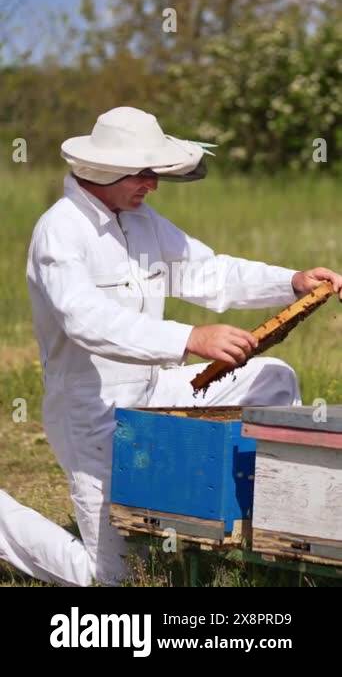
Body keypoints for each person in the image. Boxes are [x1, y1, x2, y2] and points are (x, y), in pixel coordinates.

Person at [1, 107, 341, 587]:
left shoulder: (143, 221)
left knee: (274, 376)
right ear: (104, 170)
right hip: (91, 412)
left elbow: (210, 271)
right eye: (144, 174)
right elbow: (85, 320)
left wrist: (291, 282)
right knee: (110, 579)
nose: (153, 185)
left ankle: (272, 518)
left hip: (155, 389)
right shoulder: (59, 233)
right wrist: (190, 338)